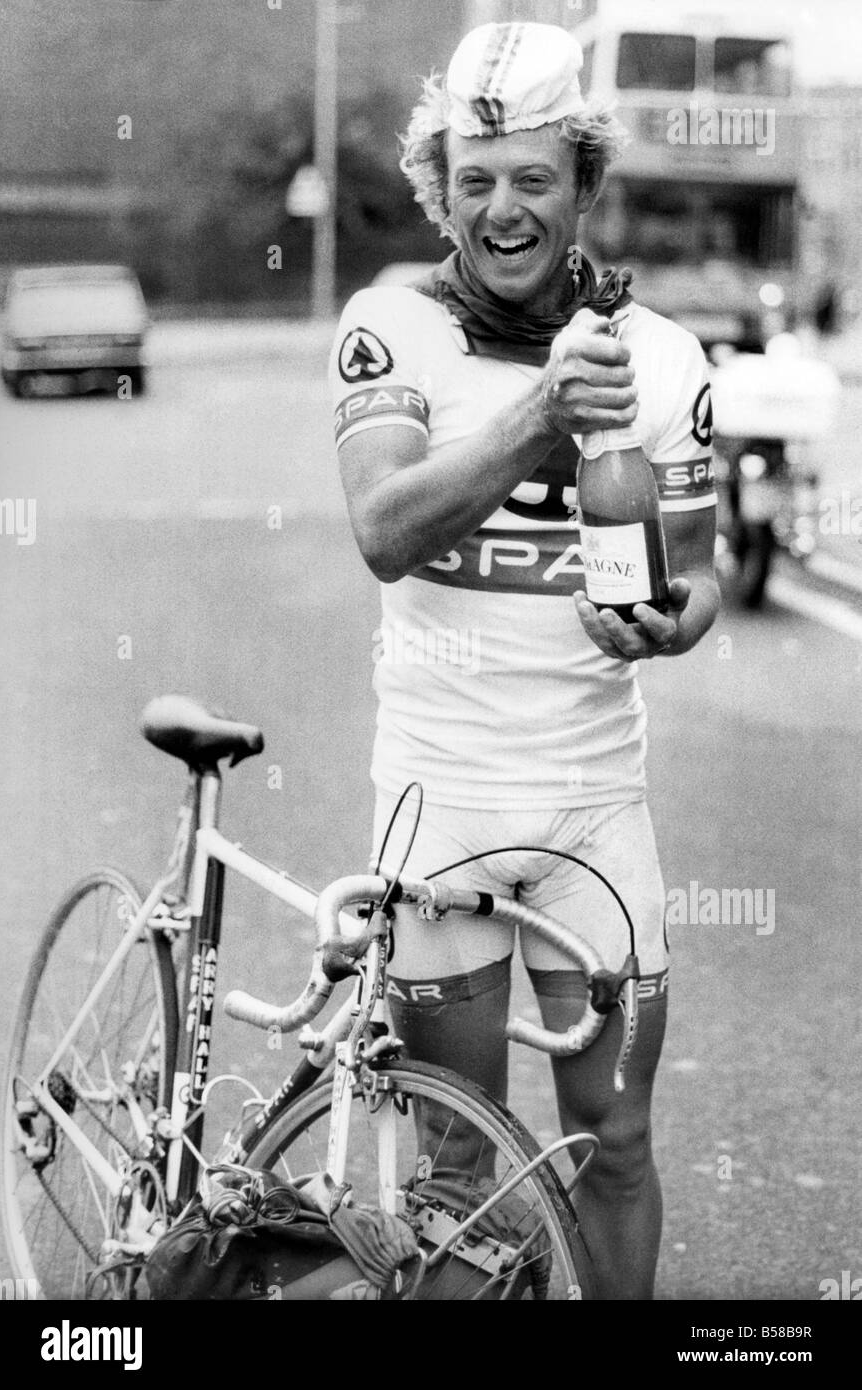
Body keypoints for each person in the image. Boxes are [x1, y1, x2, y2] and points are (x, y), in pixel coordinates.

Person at [328, 21, 719, 1300]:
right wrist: (541, 412)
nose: (502, 209)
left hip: (597, 806)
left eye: (534, 178)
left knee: (614, 1141)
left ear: (584, 187)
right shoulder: (391, 326)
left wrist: (674, 618)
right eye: (475, 177)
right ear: (442, 185)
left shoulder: (661, 356)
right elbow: (386, 532)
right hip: (440, 800)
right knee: (453, 1166)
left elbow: (701, 572)